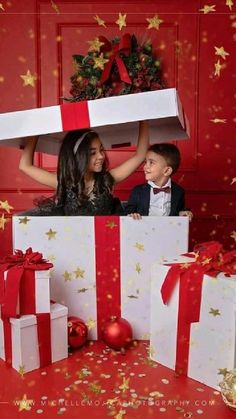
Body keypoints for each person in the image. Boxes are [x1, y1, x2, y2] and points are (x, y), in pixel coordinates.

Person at [19, 121, 149, 216]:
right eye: (93, 153)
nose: (101, 156)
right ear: (78, 157)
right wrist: (34, 130)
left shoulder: (107, 180)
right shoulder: (63, 183)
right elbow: (25, 166)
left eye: (101, 150)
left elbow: (140, 155)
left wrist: (144, 119)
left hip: (105, 242)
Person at [124, 142, 193, 220]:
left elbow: (176, 214)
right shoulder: (138, 191)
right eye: (145, 162)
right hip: (143, 230)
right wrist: (132, 215)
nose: (145, 167)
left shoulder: (179, 192)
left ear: (167, 171)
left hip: (167, 231)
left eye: (151, 163)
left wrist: (182, 215)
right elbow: (127, 213)